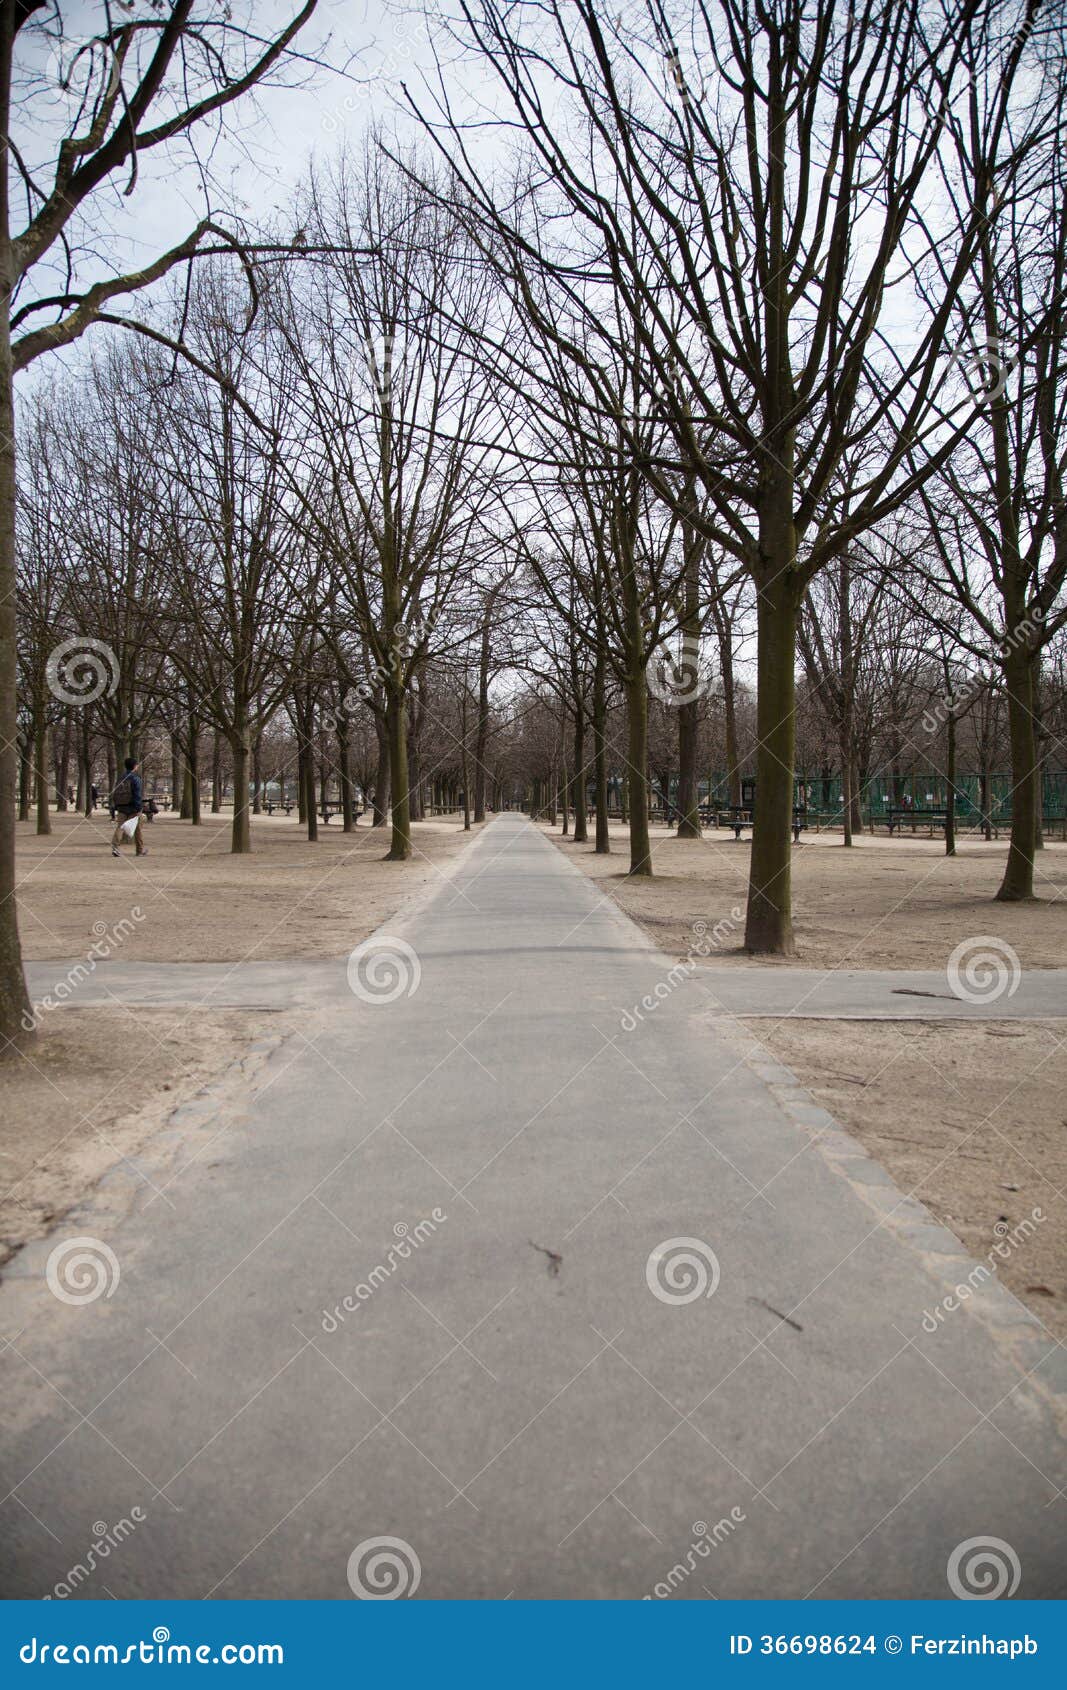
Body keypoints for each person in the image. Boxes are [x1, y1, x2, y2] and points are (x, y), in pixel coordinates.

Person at [110, 758, 148, 858]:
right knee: (138, 829)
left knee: (120, 827)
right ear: (135, 766)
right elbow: (137, 794)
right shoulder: (136, 778)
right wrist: (139, 807)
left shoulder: (120, 778)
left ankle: (115, 848)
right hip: (133, 807)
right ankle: (139, 850)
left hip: (121, 806)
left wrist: (117, 805)